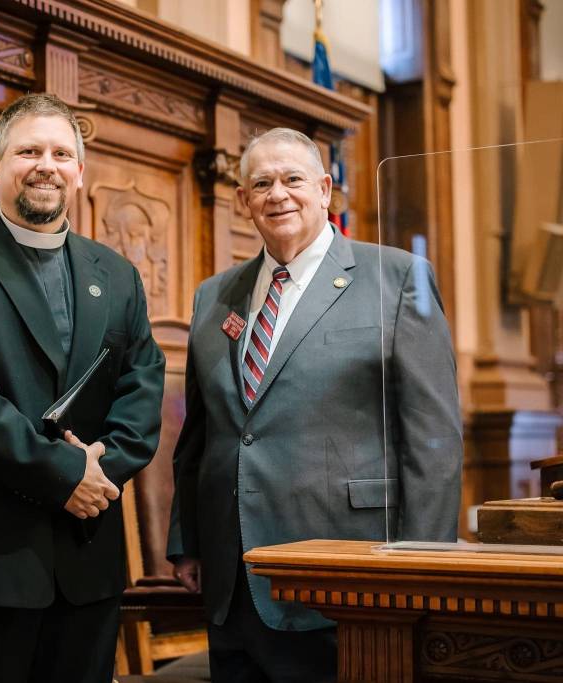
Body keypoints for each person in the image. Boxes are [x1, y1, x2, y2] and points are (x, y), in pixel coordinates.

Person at [167, 128, 462, 683]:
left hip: (350, 576)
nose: (277, 194)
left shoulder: (397, 278)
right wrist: (189, 543)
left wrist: (424, 566)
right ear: (243, 200)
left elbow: (434, 440)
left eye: (292, 179)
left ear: (325, 189)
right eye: (262, 184)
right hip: (233, 578)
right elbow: (201, 434)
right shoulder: (214, 296)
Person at [0, 93, 166, 683]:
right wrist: (66, 474)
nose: (47, 165)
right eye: (29, 152)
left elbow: (142, 383)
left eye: (61, 154)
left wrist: (101, 473)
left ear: (79, 171)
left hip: (87, 556)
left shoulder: (117, 274)